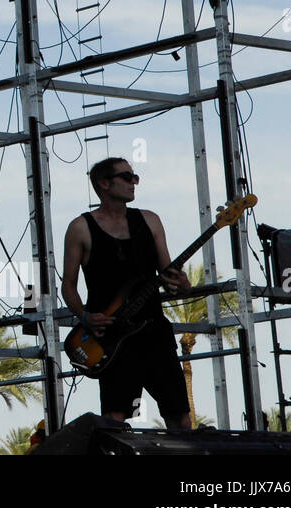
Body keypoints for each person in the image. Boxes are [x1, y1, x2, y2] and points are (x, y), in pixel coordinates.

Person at [61, 157, 192, 429]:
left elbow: (170, 277)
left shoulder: (150, 220)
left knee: (179, 414)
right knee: (115, 418)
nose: (134, 182)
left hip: (154, 330)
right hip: (111, 338)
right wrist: (84, 316)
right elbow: (68, 285)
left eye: (135, 176)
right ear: (104, 184)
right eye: (127, 177)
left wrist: (181, 282)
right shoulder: (80, 228)